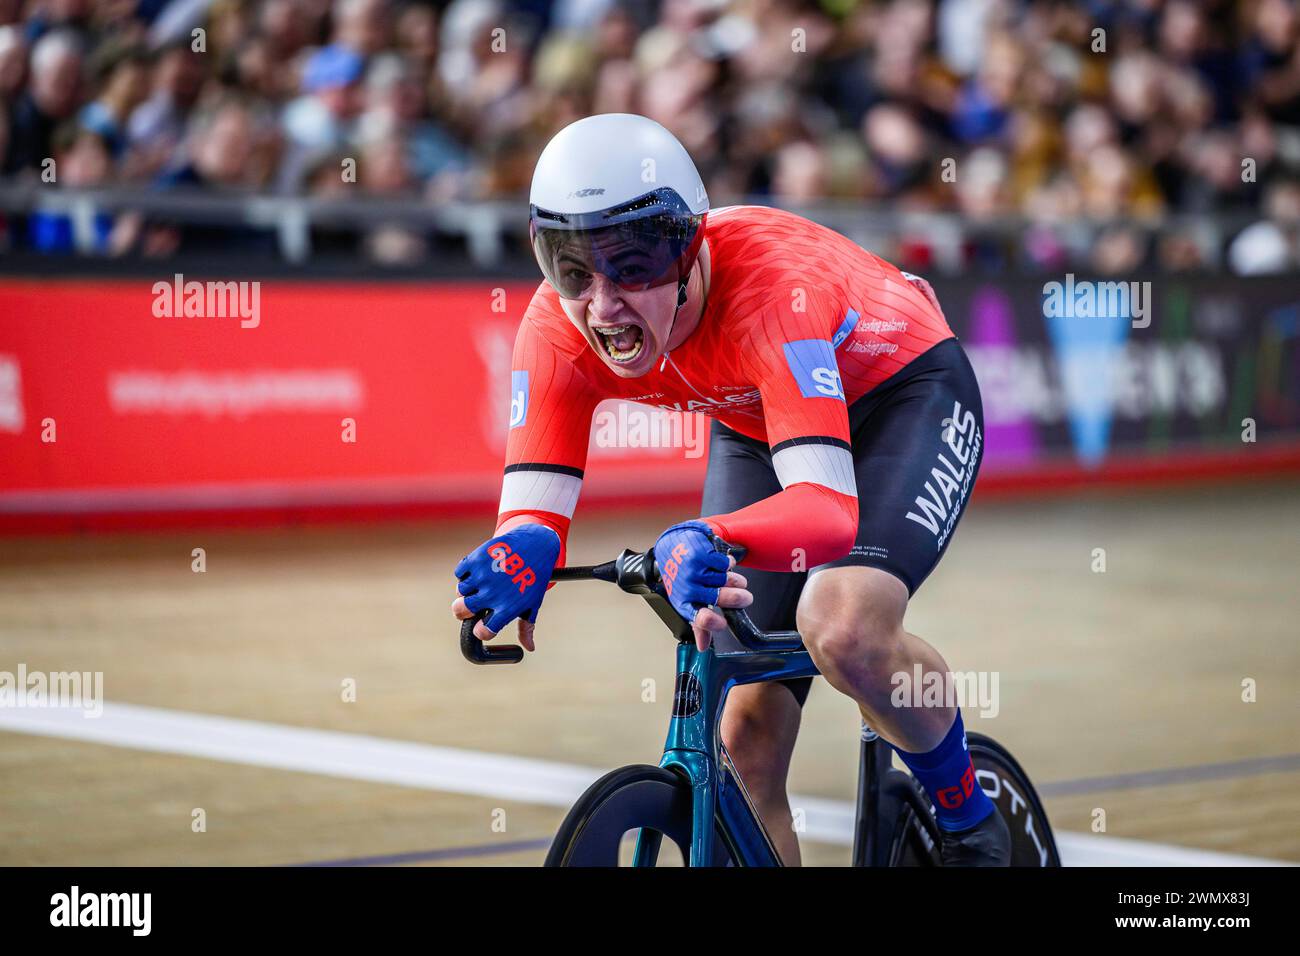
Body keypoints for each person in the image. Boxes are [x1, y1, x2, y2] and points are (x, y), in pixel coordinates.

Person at [451, 113, 1010, 866]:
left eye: (634, 263)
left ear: (687, 249)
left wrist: (712, 535)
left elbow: (826, 515)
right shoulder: (556, 325)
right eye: (573, 267)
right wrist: (518, 554)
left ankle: (969, 820)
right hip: (760, 416)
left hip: (905, 393)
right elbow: (533, 513)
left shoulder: (768, 292)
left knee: (844, 627)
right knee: (743, 742)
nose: (604, 304)